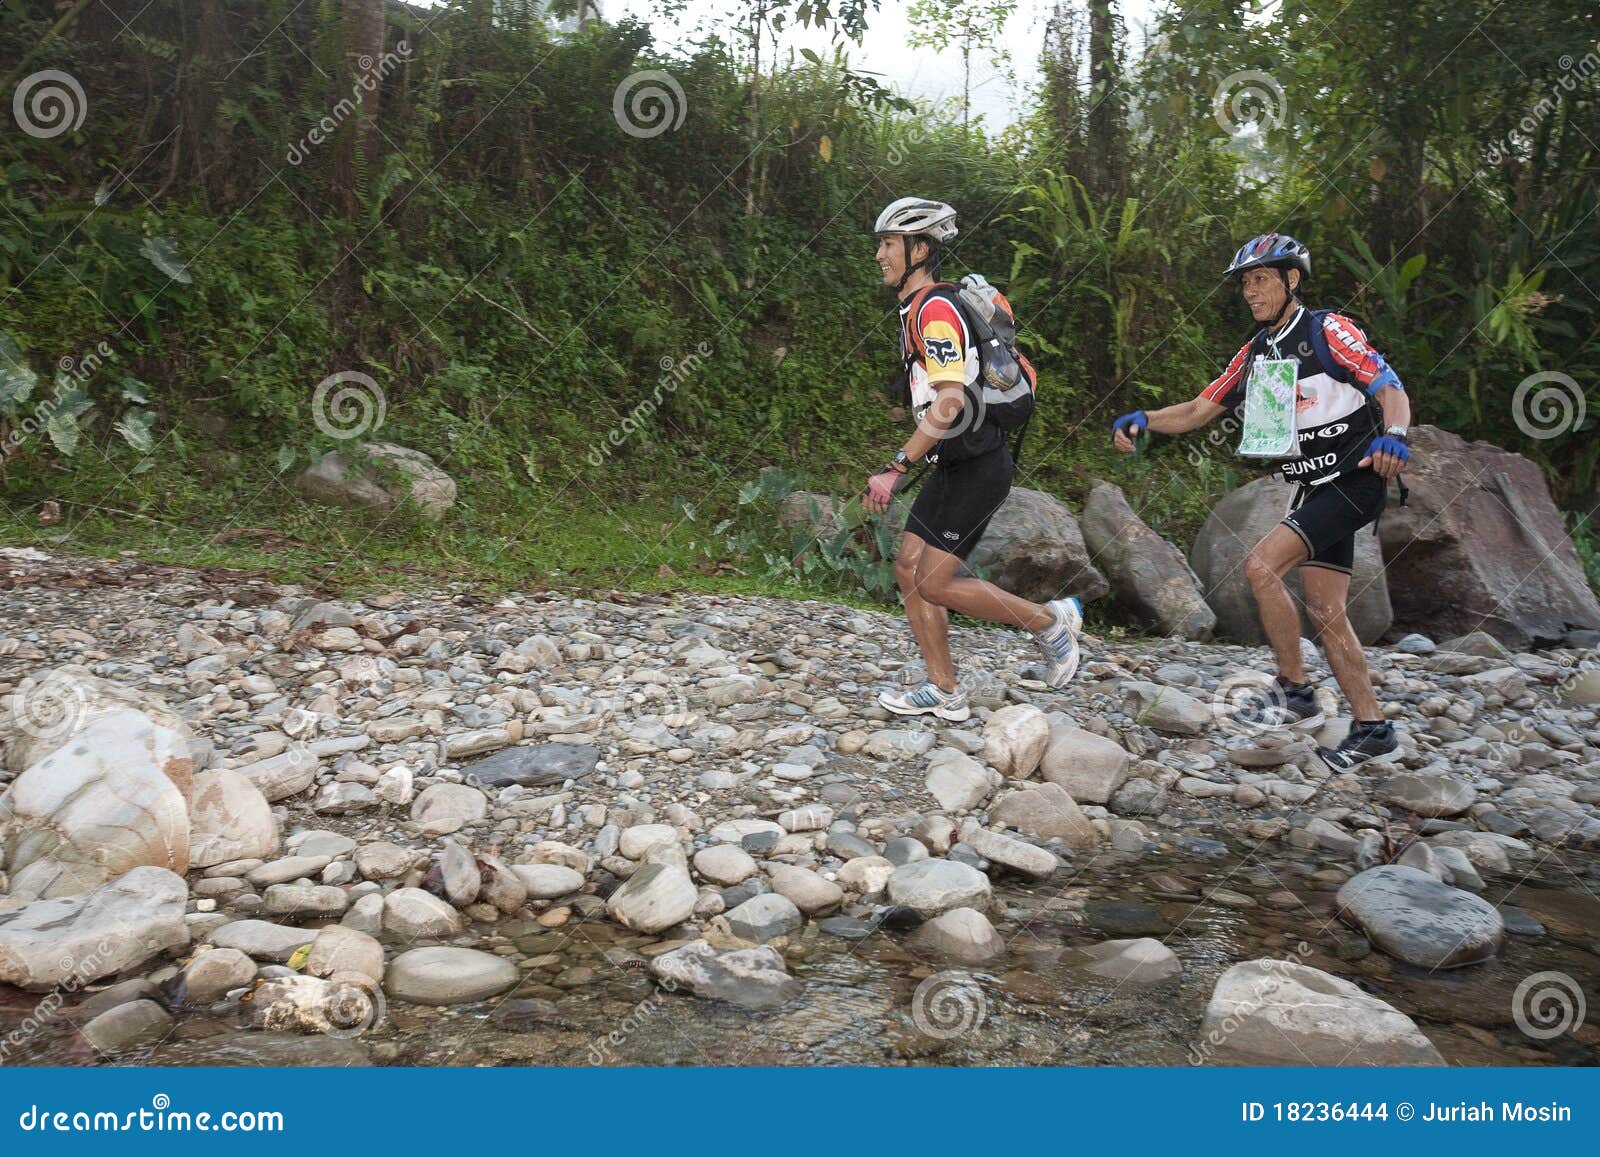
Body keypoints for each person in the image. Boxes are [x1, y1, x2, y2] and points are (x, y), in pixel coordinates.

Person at [1111, 232, 1413, 769]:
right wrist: (1146, 419)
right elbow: (1202, 409)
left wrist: (1395, 434)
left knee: (1260, 567)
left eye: (1261, 279)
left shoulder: (1328, 331)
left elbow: (1389, 386)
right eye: (1246, 283)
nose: (1251, 292)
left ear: (1291, 280)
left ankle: (1294, 690)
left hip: (1354, 481)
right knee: (1325, 611)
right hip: (1313, 486)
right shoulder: (1257, 352)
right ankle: (1373, 728)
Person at [863, 197, 1082, 722]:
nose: (879, 254)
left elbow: (949, 400)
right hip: (955, 462)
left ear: (919, 250)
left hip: (979, 464)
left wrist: (896, 467)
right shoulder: (917, 309)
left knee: (935, 581)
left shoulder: (935, 309)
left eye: (888, 243)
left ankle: (1048, 623)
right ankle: (945, 691)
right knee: (907, 567)